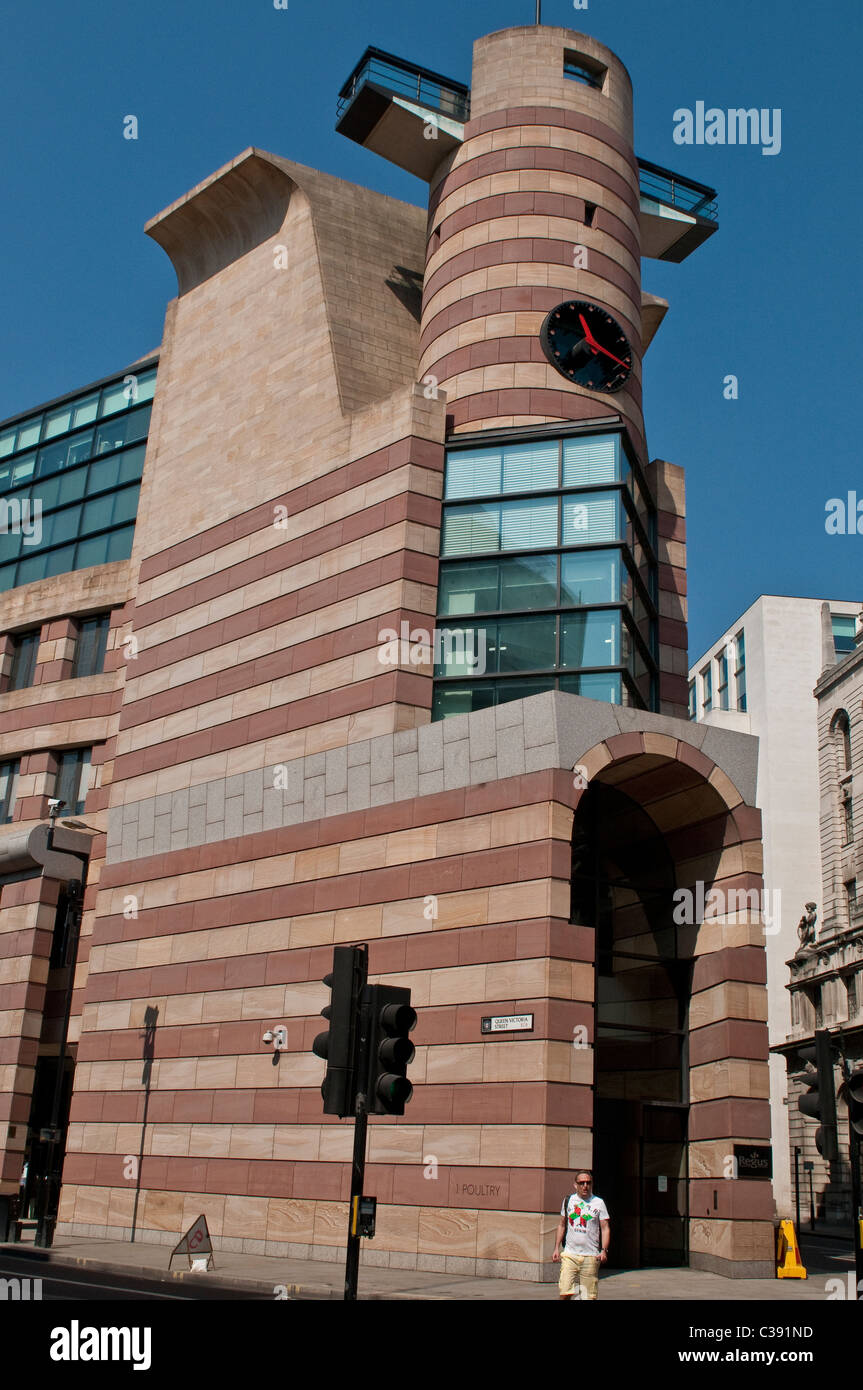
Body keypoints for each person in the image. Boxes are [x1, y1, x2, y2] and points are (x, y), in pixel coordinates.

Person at [552, 1169, 610, 1300]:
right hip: (570, 1254)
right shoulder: (568, 1200)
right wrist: (556, 1248)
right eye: (582, 1183)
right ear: (575, 1185)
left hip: (590, 1256)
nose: (585, 1186)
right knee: (565, 1293)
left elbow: (605, 1228)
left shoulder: (598, 1203)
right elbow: (562, 1224)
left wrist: (604, 1250)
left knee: (588, 1297)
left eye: (588, 1183)